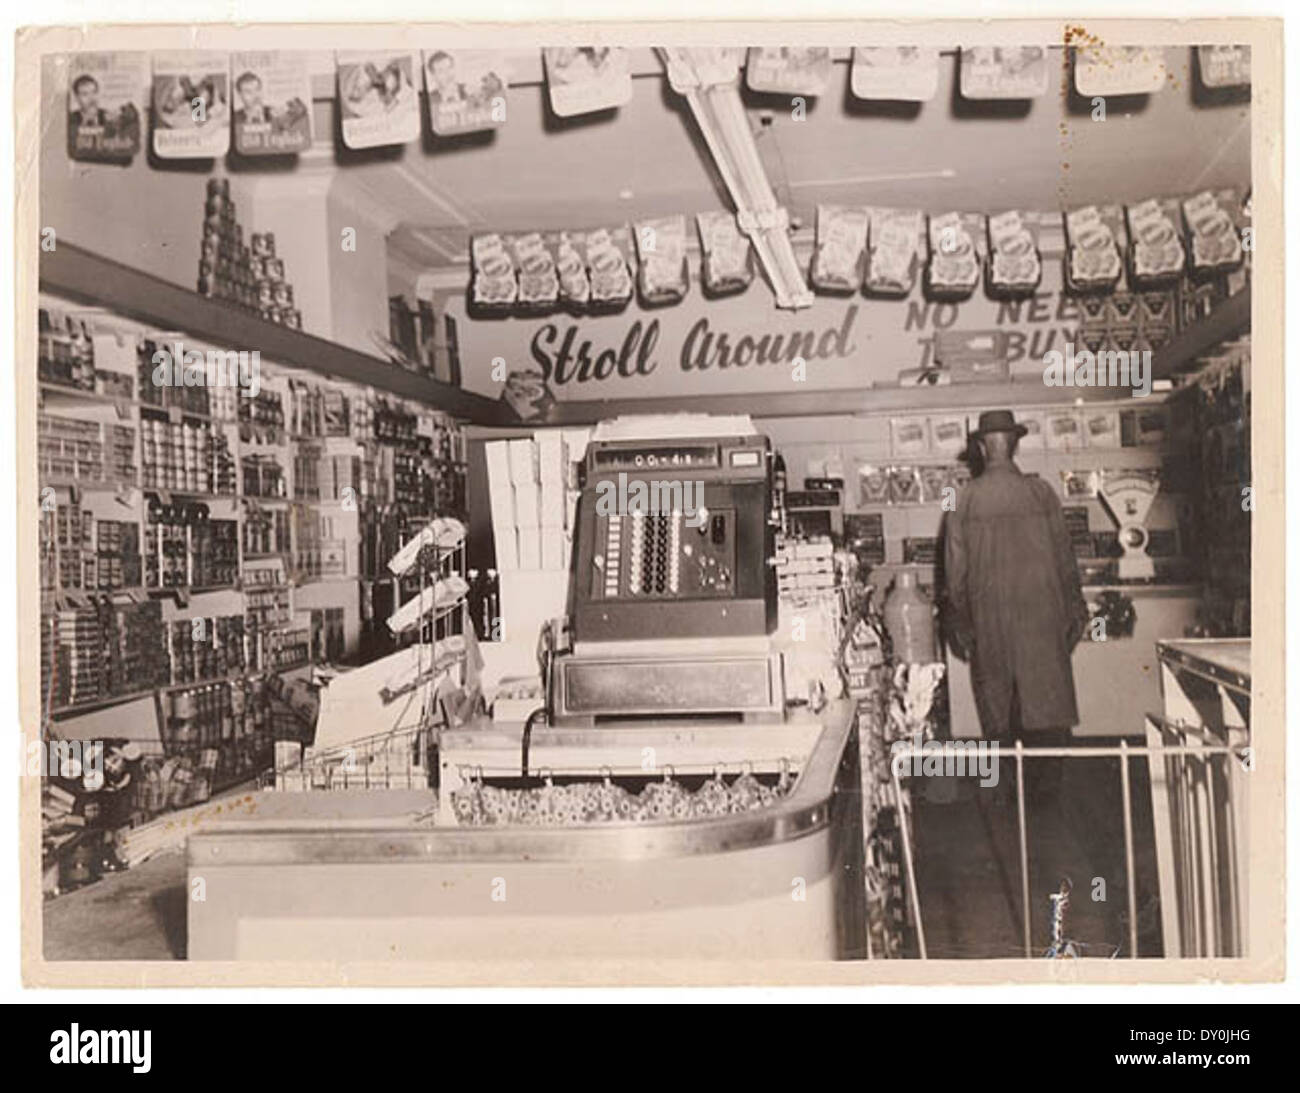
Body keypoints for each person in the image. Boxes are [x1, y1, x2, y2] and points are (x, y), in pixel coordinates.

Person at [943, 409, 1089, 803]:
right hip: (1042, 616)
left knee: (998, 706)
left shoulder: (964, 500)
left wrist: (961, 620)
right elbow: (1065, 559)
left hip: (990, 618)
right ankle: (1046, 801)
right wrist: (1075, 608)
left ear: (980, 447)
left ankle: (1008, 797)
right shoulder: (1042, 493)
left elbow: (955, 574)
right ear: (1017, 443)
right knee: (1046, 703)